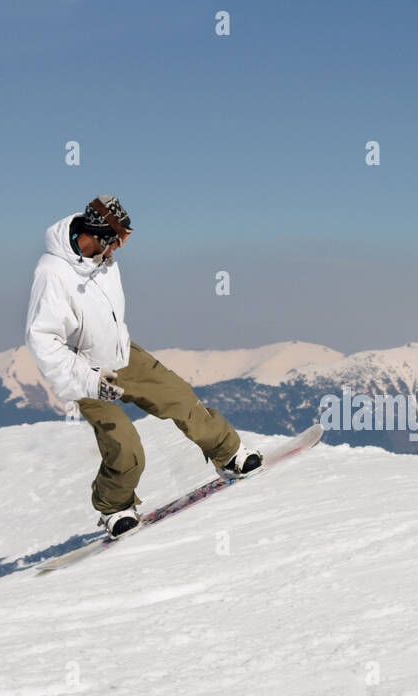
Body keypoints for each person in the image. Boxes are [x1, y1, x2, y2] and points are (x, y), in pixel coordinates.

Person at [26, 196, 261, 538]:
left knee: (179, 398)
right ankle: (115, 508)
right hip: (86, 372)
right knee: (125, 446)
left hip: (122, 355)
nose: (119, 250)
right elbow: (43, 340)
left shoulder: (101, 262)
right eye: (118, 241)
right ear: (100, 236)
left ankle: (229, 454)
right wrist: (89, 382)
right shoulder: (52, 274)